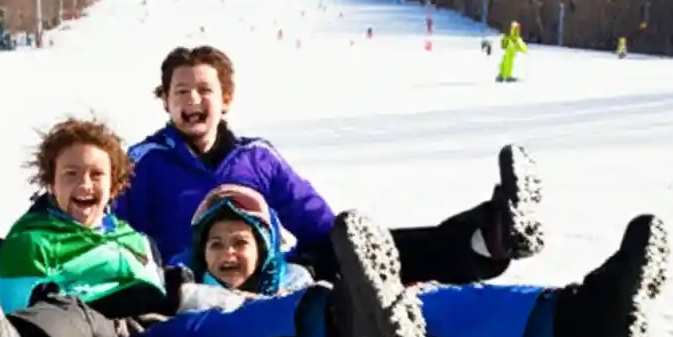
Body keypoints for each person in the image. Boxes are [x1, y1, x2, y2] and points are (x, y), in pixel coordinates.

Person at [0, 117, 432, 337]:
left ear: (115, 183)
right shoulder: (33, 237)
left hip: (150, 323)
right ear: (51, 182)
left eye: (96, 174)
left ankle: (346, 325)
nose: (85, 183)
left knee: (229, 322)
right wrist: (10, 333)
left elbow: (172, 287)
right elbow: (13, 304)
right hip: (89, 323)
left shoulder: (130, 238)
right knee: (70, 317)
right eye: (71, 174)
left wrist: (220, 298)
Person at [133, 183, 671, 337]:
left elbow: (311, 220)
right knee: (263, 315)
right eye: (216, 244)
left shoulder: (293, 274)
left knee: (423, 304)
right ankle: (352, 323)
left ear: (266, 247)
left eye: (240, 242)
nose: (228, 253)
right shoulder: (181, 286)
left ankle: (579, 320)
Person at [111, 45, 544, 285]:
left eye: (204, 90)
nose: (192, 100)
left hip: (268, 276)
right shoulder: (145, 163)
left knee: (355, 242)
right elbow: (114, 237)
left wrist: (348, 247)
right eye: (180, 91)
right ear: (165, 100)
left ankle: (488, 237)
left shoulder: (257, 157)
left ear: (226, 99)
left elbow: (316, 221)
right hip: (192, 284)